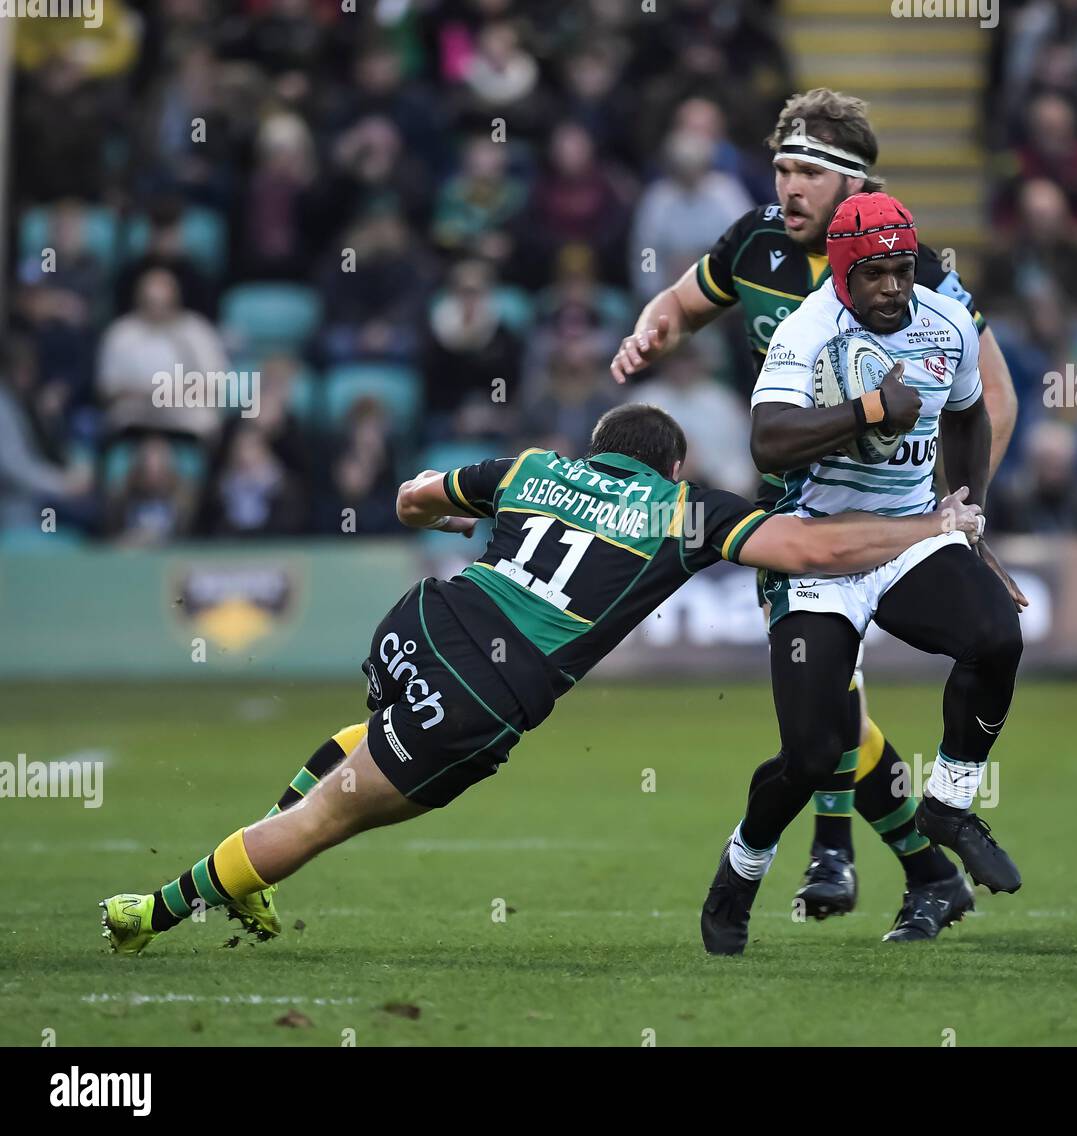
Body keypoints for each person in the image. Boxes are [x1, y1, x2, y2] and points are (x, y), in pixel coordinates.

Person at [100, 403, 984, 955]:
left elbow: (412, 496)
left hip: (422, 620)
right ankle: (159, 909)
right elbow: (812, 547)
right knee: (334, 818)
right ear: (670, 468)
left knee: (367, 760)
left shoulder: (534, 470)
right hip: (487, 695)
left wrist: (457, 521)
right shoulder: (681, 510)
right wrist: (928, 528)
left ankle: (259, 854)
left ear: (597, 448)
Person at [611, 87, 1020, 938]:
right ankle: (888, 863)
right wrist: (648, 333)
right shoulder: (760, 246)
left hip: (899, 518)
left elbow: (986, 399)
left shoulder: (922, 272)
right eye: (781, 168)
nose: (786, 187)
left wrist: (962, 515)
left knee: (877, 697)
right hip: (798, 516)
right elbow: (682, 307)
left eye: (806, 172)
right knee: (825, 726)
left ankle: (874, 853)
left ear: (853, 185)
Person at [699, 192, 1027, 957]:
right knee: (813, 757)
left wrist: (970, 516)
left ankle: (947, 806)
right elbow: (768, 442)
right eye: (874, 273)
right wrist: (868, 408)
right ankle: (742, 867)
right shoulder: (806, 329)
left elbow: (969, 413)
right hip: (821, 547)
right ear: (843, 271)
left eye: (902, 270)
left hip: (912, 533)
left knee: (995, 635)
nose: (891, 287)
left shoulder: (943, 320)